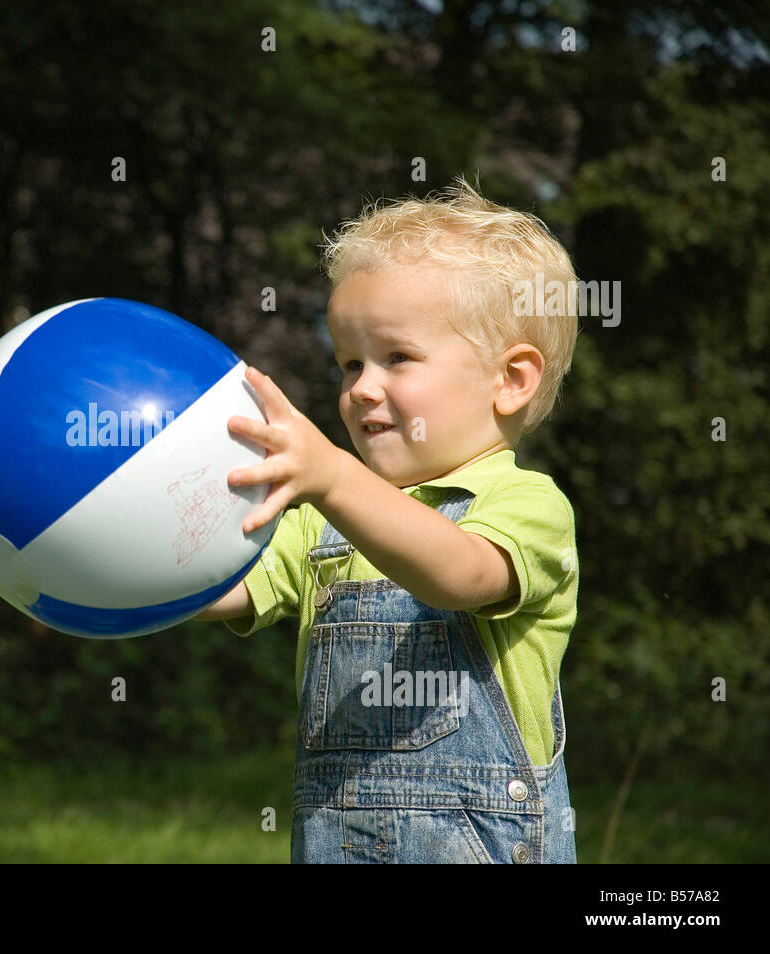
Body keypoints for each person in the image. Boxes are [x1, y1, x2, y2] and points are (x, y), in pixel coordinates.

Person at [198, 179, 579, 863]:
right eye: (348, 362)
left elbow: (457, 572)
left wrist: (337, 478)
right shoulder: (320, 522)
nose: (359, 388)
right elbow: (217, 581)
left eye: (396, 357)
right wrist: (107, 577)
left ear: (511, 379)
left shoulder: (528, 504)